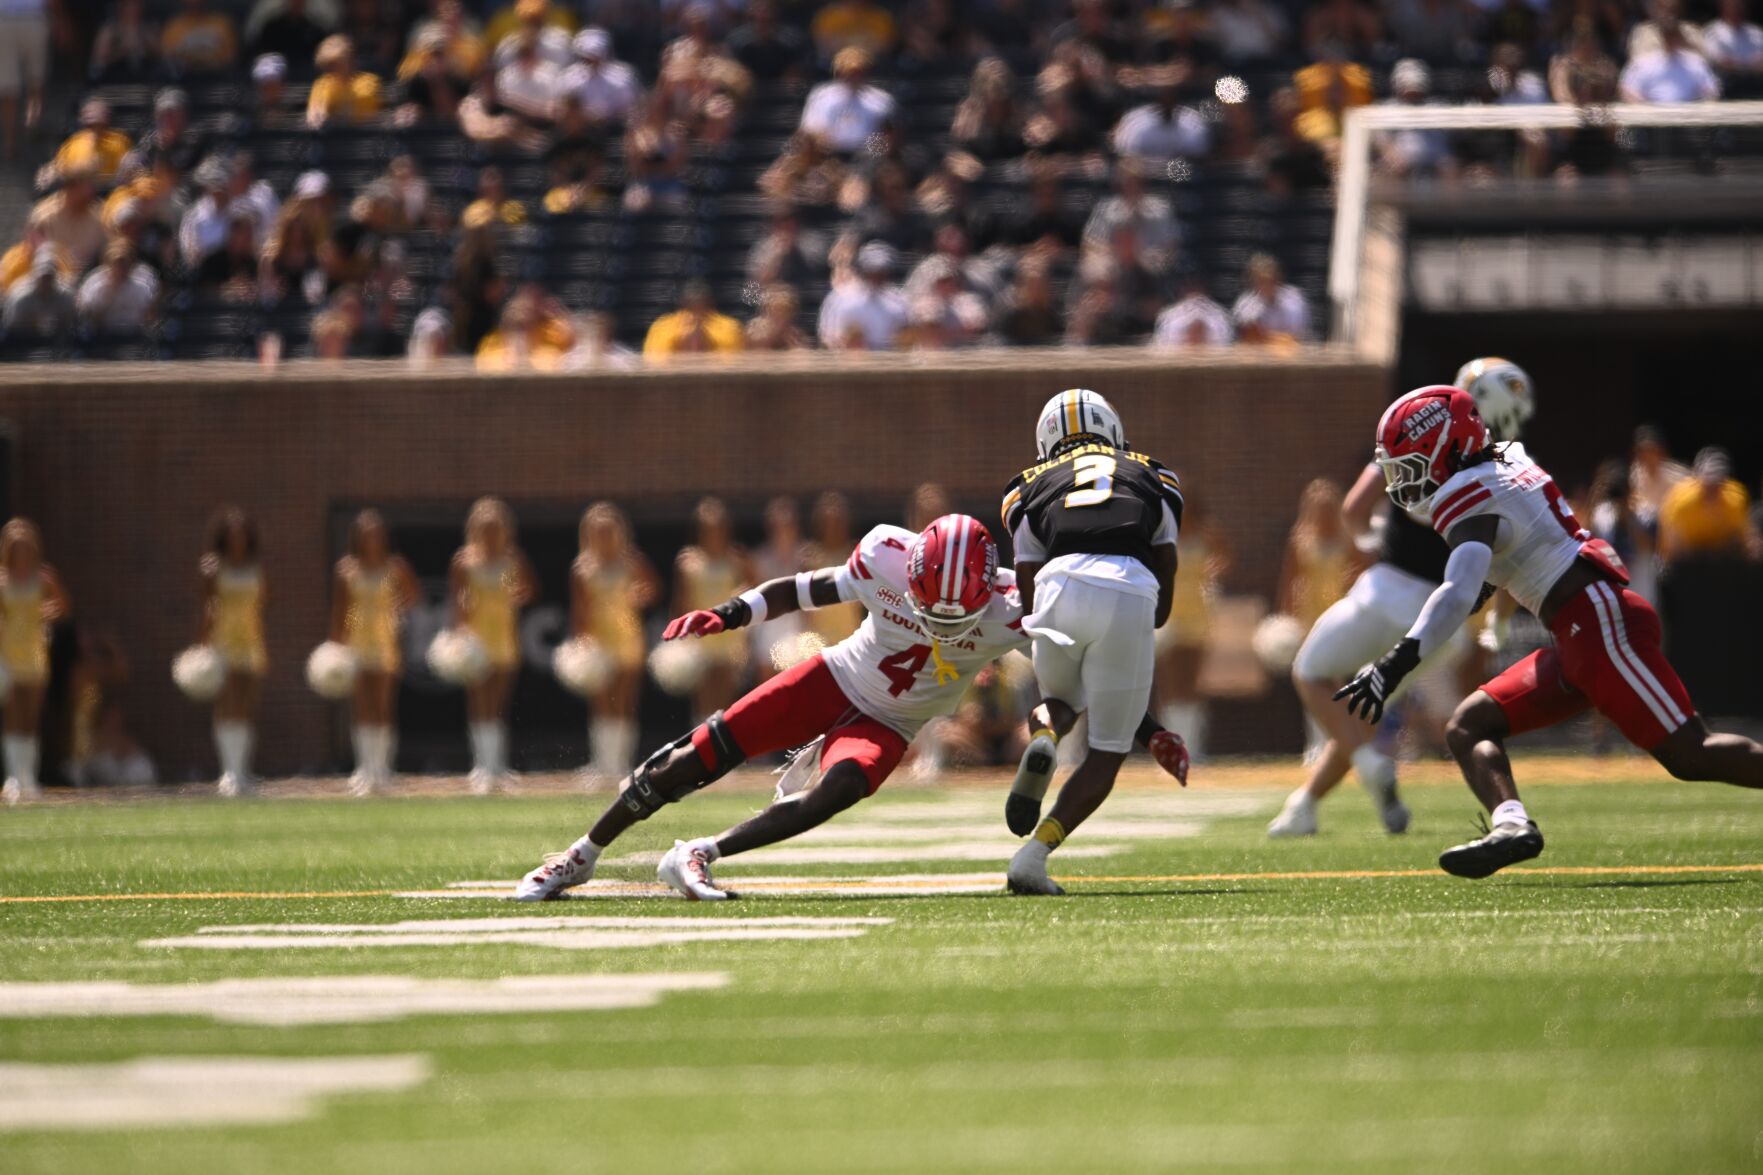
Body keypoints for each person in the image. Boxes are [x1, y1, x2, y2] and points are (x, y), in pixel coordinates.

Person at [516, 512, 1182, 901]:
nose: (946, 622)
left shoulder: (1016, 604)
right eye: (931, 607)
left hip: (891, 721)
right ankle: (581, 852)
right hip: (835, 676)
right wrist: (727, 613)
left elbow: (1089, 676)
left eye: (960, 612)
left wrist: (1145, 729)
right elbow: (798, 589)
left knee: (837, 788)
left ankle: (697, 853)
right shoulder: (885, 558)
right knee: (705, 752)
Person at [1338, 386, 1763, 878]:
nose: (1403, 480)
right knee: (1469, 726)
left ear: (1446, 449)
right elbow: (1497, 566)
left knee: (1690, 753)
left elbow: (1458, 590)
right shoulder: (1505, 461)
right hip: (1578, 628)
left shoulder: (1467, 492)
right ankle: (1512, 826)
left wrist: (1393, 665)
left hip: (1600, 622)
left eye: (1410, 463)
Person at [1270, 357, 1536, 839]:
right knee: (1361, 711)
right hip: (1439, 618)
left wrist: (1367, 541)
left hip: (1385, 592)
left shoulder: (1422, 432)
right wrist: (1497, 621)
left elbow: (1355, 507)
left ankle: (1371, 767)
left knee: (1309, 674)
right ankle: (1304, 806)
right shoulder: (1506, 467)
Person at [999, 389, 1191, 895]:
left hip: (1058, 580)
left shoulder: (1024, 486)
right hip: (1128, 582)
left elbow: (1026, 570)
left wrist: (1040, 617)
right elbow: (1165, 554)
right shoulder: (1154, 471)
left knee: (1058, 703)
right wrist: (1156, 614)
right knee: (1107, 749)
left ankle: (1044, 738)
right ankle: (1032, 857)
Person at [328, 509, 418, 796]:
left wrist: (394, 608)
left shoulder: (395, 566)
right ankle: (364, 770)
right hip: (358, 641)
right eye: (367, 534)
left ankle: (383, 769)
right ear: (357, 537)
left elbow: (412, 596)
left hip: (385, 640)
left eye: (377, 533)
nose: (372, 539)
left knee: (383, 706)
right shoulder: (346, 569)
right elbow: (344, 611)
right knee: (361, 706)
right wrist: (338, 644)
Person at [569, 503, 658, 785]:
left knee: (624, 701)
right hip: (598, 642)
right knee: (601, 702)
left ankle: (620, 765)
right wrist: (582, 643)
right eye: (598, 532)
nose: (604, 537)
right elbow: (579, 610)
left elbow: (652, 590)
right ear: (588, 535)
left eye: (609, 531)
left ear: (620, 532)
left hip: (628, 638)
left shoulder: (633, 562)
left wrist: (641, 595)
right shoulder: (582, 568)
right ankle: (601, 764)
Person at [450, 497, 535, 794]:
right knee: (479, 701)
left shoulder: (514, 560)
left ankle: (498, 766)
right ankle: (481, 767)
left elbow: (527, 591)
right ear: (474, 529)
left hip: (504, 636)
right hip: (476, 638)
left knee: (498, 703)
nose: (490, 534)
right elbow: (459, 600)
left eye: (495, 528)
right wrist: (461, 634)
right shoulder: (464, 561)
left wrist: (518, 593)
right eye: (484, 528)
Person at [199, 507, 266, 796]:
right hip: (223, 640)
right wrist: (202, 644)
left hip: (250, 640)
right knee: (226, 704)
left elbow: (265, 601)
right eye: (233, 533)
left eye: (242, 533)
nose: (238, 538)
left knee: (246, 704)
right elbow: (206, 606)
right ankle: (228, 772)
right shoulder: (212, 567)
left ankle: (242, 770)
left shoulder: (256, 568)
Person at [1, 519, 69, 803]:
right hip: (8, 653)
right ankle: (14, 777)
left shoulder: (44, 578)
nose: (22, 552)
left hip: (35, 653)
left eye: (26, 546)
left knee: (30, 718)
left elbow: (63, 607)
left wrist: (47, 612)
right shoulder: (1, 580)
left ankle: (29, 777)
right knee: (12, 716)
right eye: (17, 547)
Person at [1153, 493, 1224, 761]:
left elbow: (1224, 556)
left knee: (1192, 683)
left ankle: (1192, 747)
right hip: (1169, 611)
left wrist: (1211, 572)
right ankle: (1172, 746)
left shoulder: (1207, 533)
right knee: (1170, 684)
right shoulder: (1161, 534)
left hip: (1198, 612)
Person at [672, 497, 754, 723]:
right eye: (708, 528)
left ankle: (723, 749)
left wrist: (743, 592)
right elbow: (681, 601)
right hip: (701, 634)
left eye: (718, 527)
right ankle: (700, 746)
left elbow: (755, 589)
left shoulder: (738, 558)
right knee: (704, 695)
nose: (714, 532)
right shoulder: (688, 561)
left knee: (726, 694)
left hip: (730, 633)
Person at [1658, 447, 1757, 562]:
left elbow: (1743, 537)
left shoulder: (1735, 500)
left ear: (1725, 483)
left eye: (1717, 483)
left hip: (1721, 554)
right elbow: (1672, 544)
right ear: (1698, 481)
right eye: (1708, 483)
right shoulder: (1682, 503)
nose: (1712, 489)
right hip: (1686, 555)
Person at [799, 46, 895, 155]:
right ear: (838, 73)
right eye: (847, 72)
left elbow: (889, 136)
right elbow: (810, 131)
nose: (852, 77)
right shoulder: (821, 96)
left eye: (858, 73)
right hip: (828, 155)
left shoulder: (882, 100)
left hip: (868, 157)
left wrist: (871, 154)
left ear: (866, 73)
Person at [817, 240, 907, 350]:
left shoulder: (899, 300)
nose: (876, 276)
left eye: (881, 272)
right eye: (871, 271)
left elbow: (906, 337)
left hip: (891, 362)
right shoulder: (839, 298)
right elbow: (827, 337)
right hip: (848, 360)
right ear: (862, 270)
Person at [642, 278, 745, 358]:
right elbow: (654, 362)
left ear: (710, 303)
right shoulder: (662, 327)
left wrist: (708, 341)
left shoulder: (730, 327)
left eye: (702, 304)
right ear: (682, 304)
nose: (695, 314)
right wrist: (679, 341)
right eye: (690, 306)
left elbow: (734, 363)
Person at [74, 240, 158, 335]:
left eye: (124, 265)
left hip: (133, 334)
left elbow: (149, 317)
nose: (120, 269)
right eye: (117, 265)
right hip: (103, 334)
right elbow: (89, 318)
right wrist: (110, 294)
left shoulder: (141, 287)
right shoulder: (96, 286)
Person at [307, 34, 382, 127]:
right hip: (330, 137)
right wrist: (317, 116)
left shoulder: (369, 82)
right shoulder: (322, 84)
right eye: (328, 65)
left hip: (364, 136)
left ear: (350, 61)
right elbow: (314, 116)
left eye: (336, 64)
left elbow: (363, 117)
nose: (332, 70)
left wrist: (333, 114)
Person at [161, 0, 238, 74]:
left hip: (218, 78)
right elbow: (168, 59)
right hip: (182, 79)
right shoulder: (173, 27)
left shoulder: (222, 24)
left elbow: (230, 60)